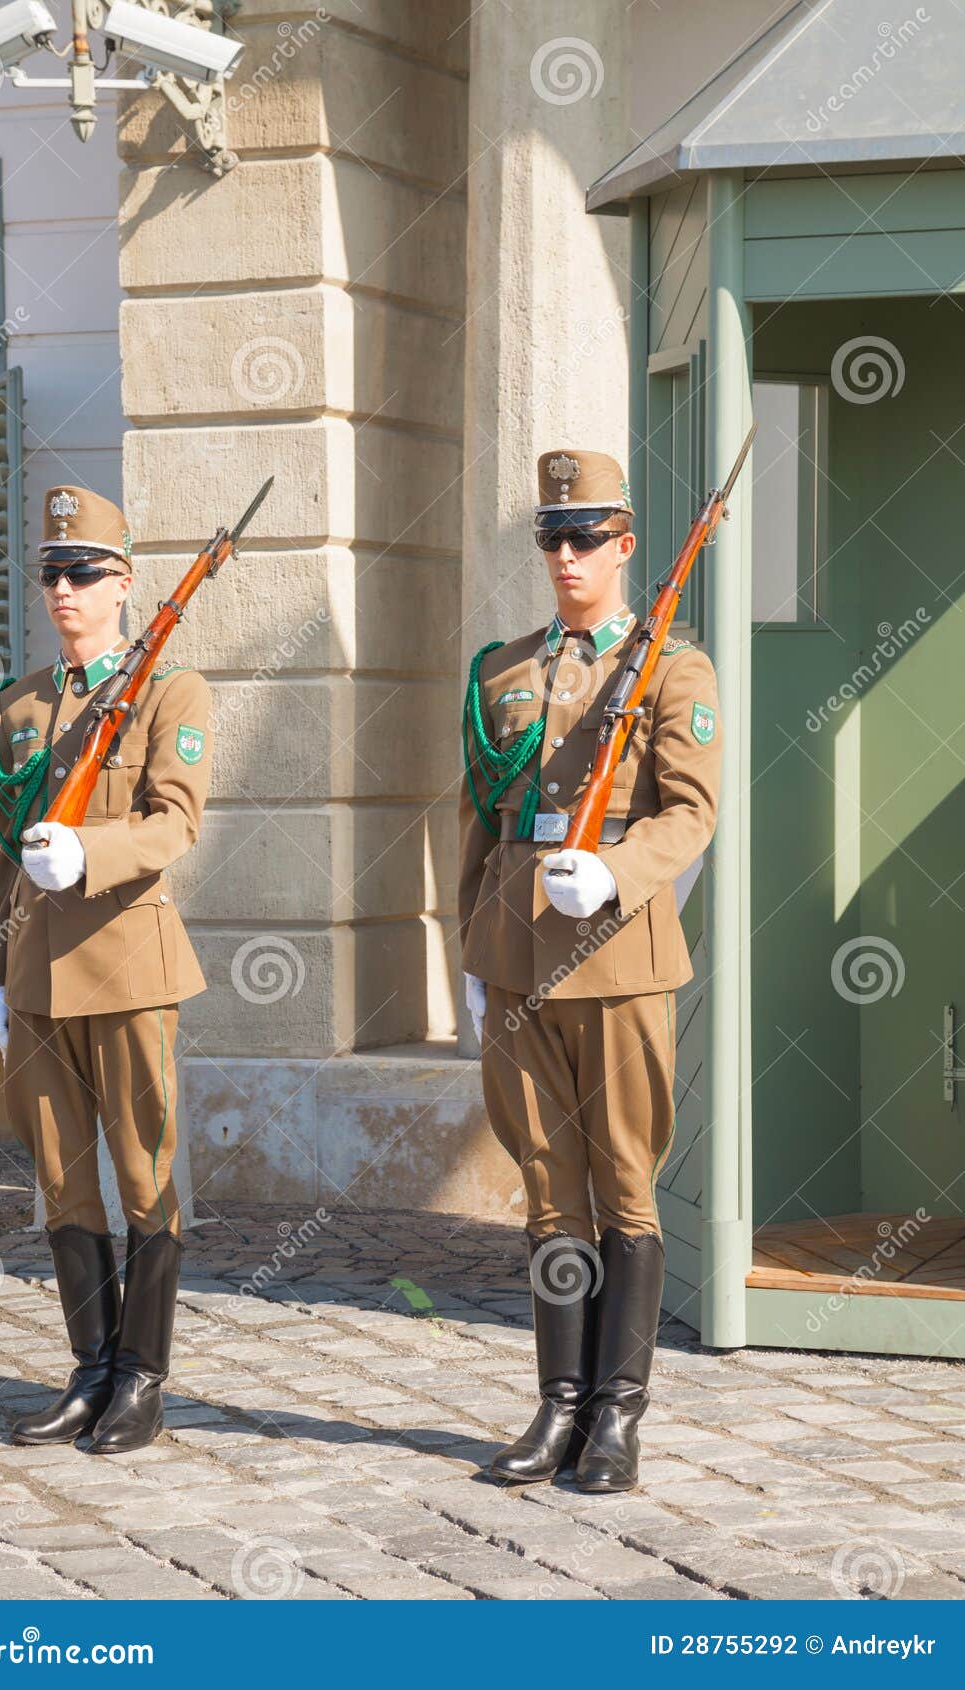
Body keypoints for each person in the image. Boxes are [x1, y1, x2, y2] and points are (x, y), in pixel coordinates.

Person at [458, 449, 722, 1492]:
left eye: (587, 538)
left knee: (624, 1192)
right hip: (515, 953)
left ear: (625, 546)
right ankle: (558, 1405)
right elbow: (477, 815)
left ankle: (618, 1416)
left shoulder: (673, 668)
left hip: (614, 955)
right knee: (548, 1194)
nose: (566, 556)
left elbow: (691, 811)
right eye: (552, 539)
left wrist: (610, 874)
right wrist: (469, 943)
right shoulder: (503, 671)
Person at [0, 485, 213, 1455]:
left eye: (83, 572)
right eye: (52, 573)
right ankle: (89, 1368)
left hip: (129, 965)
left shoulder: (173, 691)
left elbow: (176, 820)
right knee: (64, 1182)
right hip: (38, 976)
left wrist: (92, 854)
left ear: (124, 584)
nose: (63, 590)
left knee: (143, 1174)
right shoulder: (20, 705)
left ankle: (143, 1376)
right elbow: (5, 850)